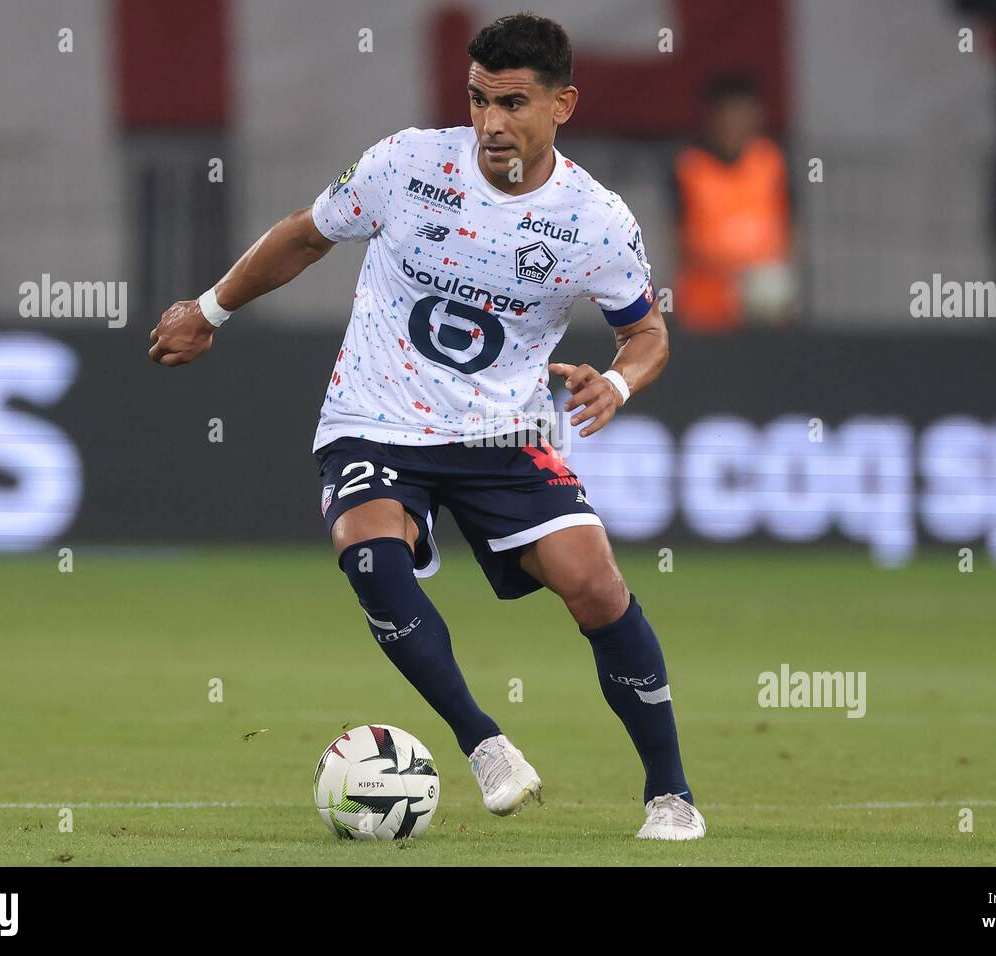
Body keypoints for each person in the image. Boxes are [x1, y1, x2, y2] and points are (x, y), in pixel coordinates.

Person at [148, 13, 703, 840]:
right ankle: (482, 742)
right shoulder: (408, 164)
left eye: (513, 103)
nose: (491, 122)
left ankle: (671, 795)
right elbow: (305, 237)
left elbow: (647, 332)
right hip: (375, 414)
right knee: (369, 552)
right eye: (479, 99)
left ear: (563, 105)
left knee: (594, 583)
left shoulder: (594, 220)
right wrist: (212, 309)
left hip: (503, 434)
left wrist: (619, 381)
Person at [674, 73, 794, 331]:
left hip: (765, 312)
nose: (734, 124)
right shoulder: (690, 167)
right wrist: (731, 267)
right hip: (704, 313)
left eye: (742, 114)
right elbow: (679, 242)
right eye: (726, 115)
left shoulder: (772, 163)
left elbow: (789, 234)